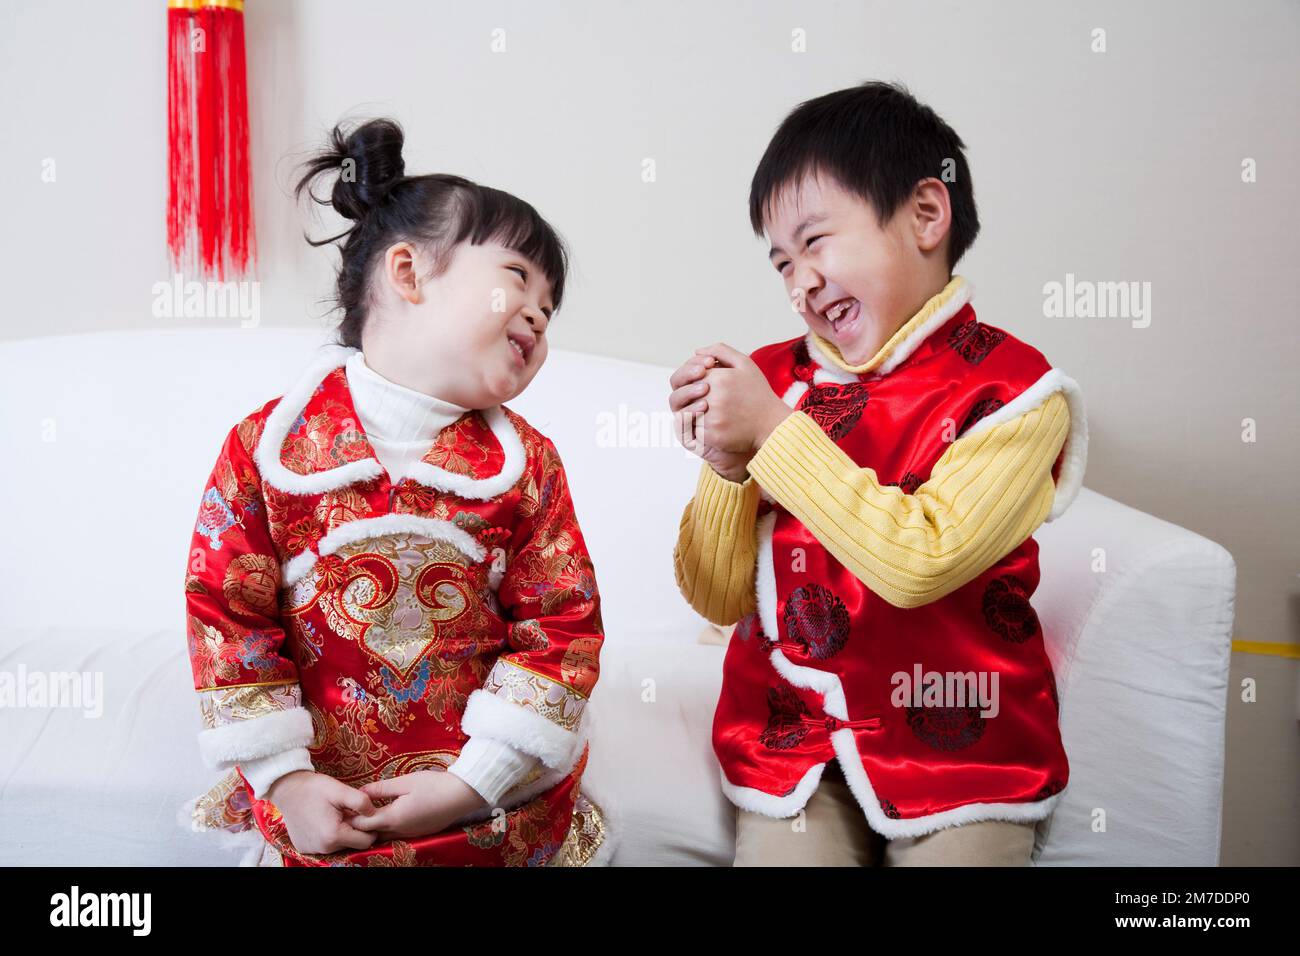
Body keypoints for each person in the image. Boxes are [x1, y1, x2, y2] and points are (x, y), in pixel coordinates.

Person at [670, 81, 1088, 866]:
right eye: (782, 262)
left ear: (927, 214)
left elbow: (921, 562)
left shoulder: (1016, 393)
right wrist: (727, 469)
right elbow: (718, 596)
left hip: (964, 751)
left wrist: (771, 434)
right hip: (793, 747)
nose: (800, 282)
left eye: (817, 241)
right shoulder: (774, 381)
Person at [178, 117, 610, 867]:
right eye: (518, 278)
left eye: (551, 304)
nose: (539, 312)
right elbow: (227, 619)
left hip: (477, 804)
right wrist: (285, 782)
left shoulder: (530, 466)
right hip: (323, 799)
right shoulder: (264, 450)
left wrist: (474, 783)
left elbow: (562, 630)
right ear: (408, 273)